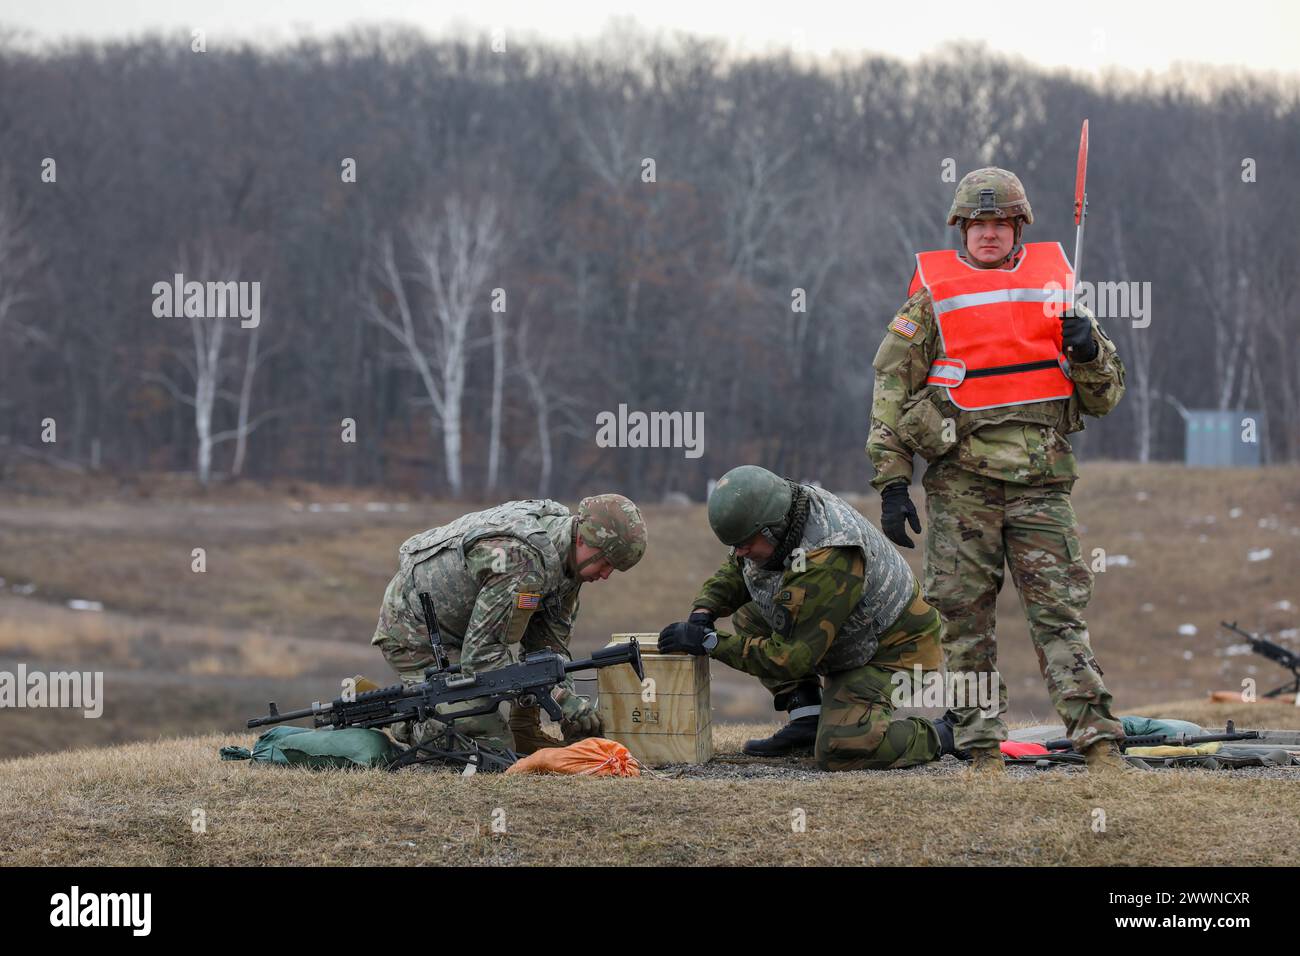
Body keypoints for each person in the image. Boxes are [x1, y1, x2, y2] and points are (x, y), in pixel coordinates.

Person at [868, 166, 1131, 774]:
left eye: (999, 222)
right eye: (977, 223)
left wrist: (1087, 351)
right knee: (963, 624)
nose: (988, 234)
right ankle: (982, 748)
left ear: (1019, 226)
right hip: (962, 486)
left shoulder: (1061, 293)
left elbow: (1106, 395)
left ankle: (1098, 742)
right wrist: (890, 482)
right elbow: (889, 393)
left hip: (1041, 486)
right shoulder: (930, 297)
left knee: (1061, 616)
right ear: (961, 229)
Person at [658, 465, 960, 771]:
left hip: (894, 650)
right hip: (849, 635)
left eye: (745, 543)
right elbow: (738, 570)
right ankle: (807, 718)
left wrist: (710, 642)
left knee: (844, 747)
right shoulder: (780, 520)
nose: (739, 553)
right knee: (751, 613)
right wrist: (704, 611)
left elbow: (789, 658)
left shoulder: (827, 555)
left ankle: (947, 734)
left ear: (770, 528)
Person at [370, 494, 647, 755]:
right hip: (413, 630)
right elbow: (481, 659)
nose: (607, 575)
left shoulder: (568, 565)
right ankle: (405, 720)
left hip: (465, 631)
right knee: (489, 746)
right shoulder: (522, 562)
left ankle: (523, 730)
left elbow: (550, 649)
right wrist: (562, 698)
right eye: (607, 563)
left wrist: (569, 709)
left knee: (512, 727)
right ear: (586, 541)